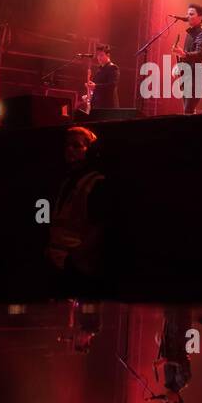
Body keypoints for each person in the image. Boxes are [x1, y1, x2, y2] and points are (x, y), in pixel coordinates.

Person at [46, 126, 107, 280]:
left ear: (89, 150)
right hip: (54, 258)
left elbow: (99, 227)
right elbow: (45, 213)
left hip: (75, 262)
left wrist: (76, 257)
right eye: (67, 145)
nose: (69, 149)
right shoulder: (63, 180)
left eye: (77, 146)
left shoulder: (96, 183)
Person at [172, 4, 202, 114]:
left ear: (200, 17)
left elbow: (200, 54)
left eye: (191, 14)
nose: (187, 16)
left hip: (197, 78)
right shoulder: (189, 34)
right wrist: (179, 65)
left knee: (188, 110)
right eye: (187, 14)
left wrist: (183, 54)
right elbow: (186, 56)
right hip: (187, 77)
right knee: (188, 111)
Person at [153, 308, 193, 403]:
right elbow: (181, 362)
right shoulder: (182, 382)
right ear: (177, 400)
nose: (164, 401)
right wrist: (164, 361)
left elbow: (168, 355)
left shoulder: (169, 381)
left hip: (171, 333)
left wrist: (160, 344)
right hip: (179, 332)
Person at [85, 44, 120, 110]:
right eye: (98, 55)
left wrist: (95, 86)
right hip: (98, 106)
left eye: (101, 55)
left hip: (108, 107)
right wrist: (90, 92)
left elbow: (112, 85)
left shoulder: (113, 68)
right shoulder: (100, 70)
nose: (99, 57)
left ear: (108, 55)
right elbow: (98, 87)